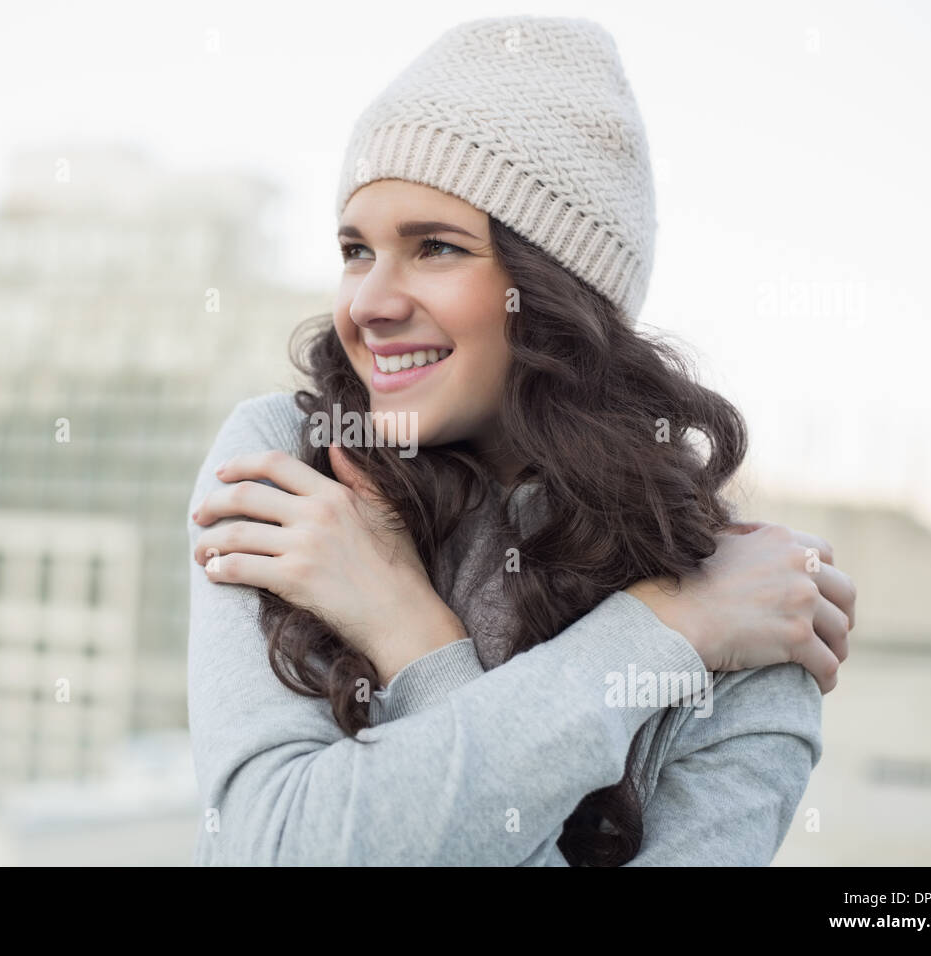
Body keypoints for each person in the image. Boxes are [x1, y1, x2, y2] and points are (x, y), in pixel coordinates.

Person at [186, 15, 856, 866]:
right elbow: (269, 849)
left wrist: (417, 645)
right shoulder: (287, 461)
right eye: (356, 249)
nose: (367, 303)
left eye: (436, 247)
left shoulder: (756, 629)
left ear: (554, 293)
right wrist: (661, 632)